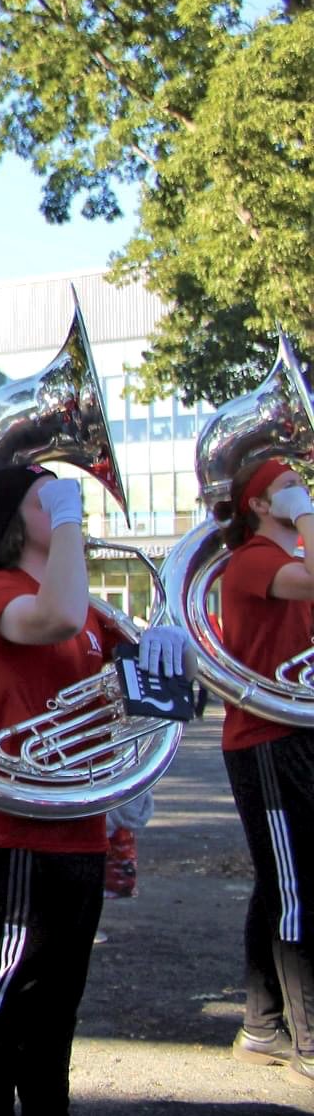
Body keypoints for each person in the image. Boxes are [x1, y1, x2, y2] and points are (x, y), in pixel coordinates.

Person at [0, 463, 187, 1116]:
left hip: (80, 824)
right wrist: (68, 521)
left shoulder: (85, 610)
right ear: (13, 518)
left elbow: (141, 708)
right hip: (19, 826)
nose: (62, 500)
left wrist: (169, 660)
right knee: (5, 992)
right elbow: (53, 615)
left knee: (58, 1004)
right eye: (43, 495)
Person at [214, 457, 314, 1082]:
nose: (301, 490)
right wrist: (305, 514)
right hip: (267, 739)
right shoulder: (254, 558)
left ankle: (262, 1026)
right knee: (298, 888)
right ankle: (310, 1039)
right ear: (257, 504)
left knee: (283, 882)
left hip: (295, 734)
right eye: (286, 486)